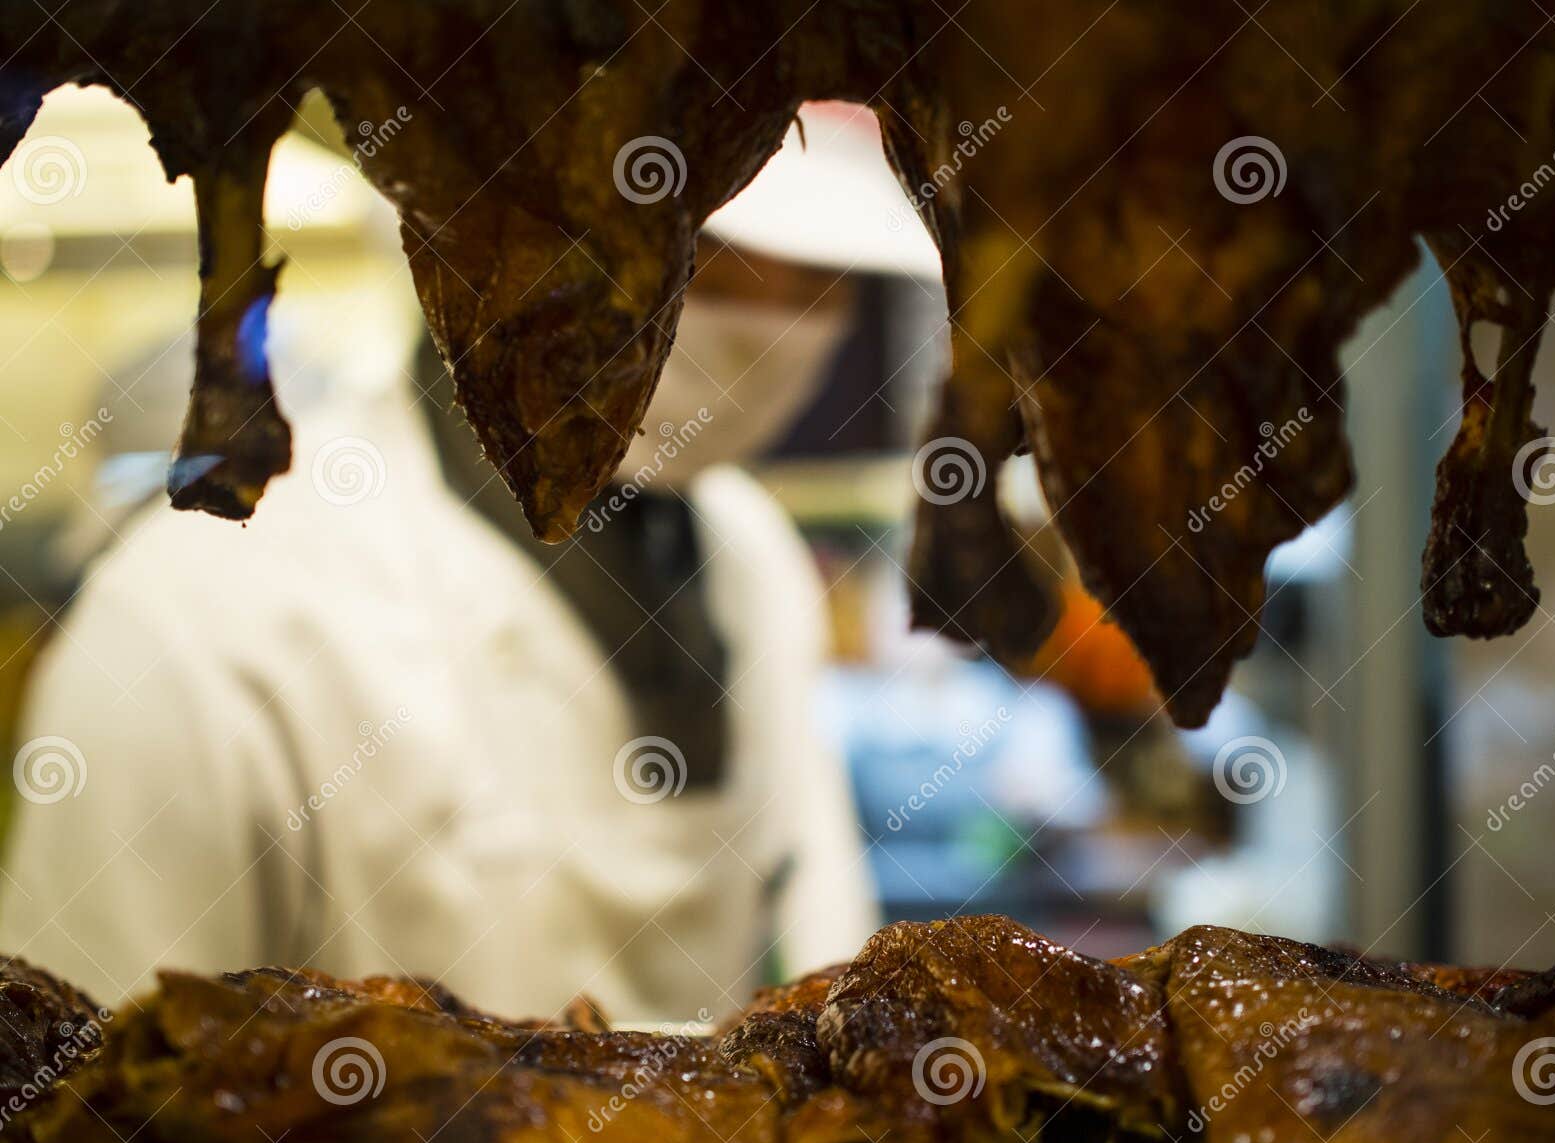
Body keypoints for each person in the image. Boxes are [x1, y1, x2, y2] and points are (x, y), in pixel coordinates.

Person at [0, 103, 933, 1020]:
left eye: (817, 281)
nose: (771, 316)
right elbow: (87, 1119)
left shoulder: (753, 559)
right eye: (709, 259)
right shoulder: (201, 612)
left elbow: (824, 958)